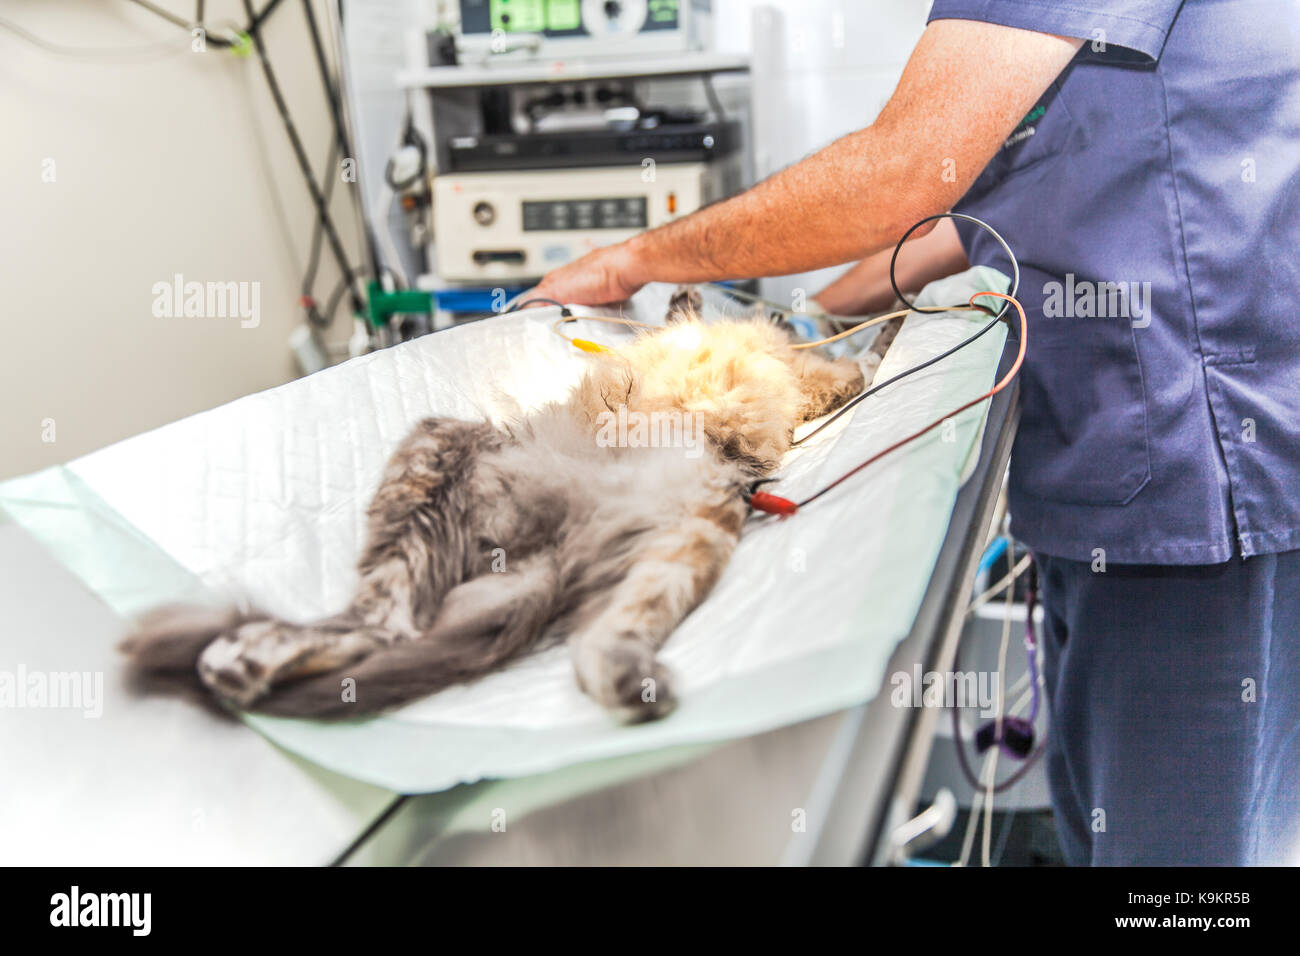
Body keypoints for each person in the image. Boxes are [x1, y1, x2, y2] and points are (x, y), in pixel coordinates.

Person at [528, 1, 1300, 866]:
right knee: (1121, 835)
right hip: (1140, 467)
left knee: (1179, 874)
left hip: (1201, 485)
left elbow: (901, 171)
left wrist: (630, 261)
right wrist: (819, 310)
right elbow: (991, 197)